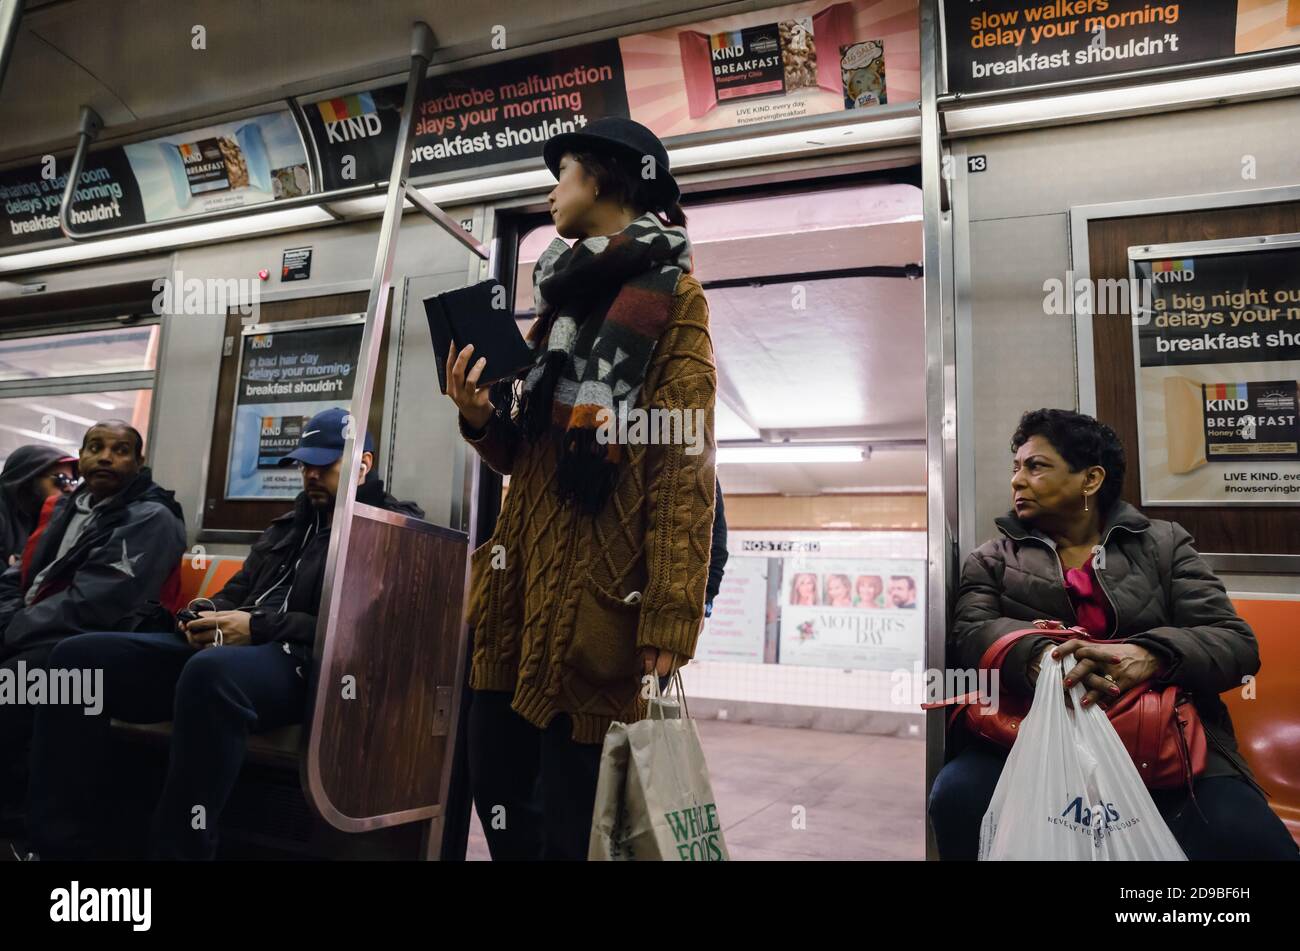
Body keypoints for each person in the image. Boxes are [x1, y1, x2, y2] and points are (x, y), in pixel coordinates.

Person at [446, 116, 716, 860]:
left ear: (600, 178)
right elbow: (526, 457)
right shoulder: (559, 306)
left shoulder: (676, 300)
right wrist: (477, 418)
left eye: (560, 175)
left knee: (575, 829)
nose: (552, 192)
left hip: (597, 611)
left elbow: (682, 469)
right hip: (514, 597)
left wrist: (669, 617)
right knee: (497, 795)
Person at [25, 408, 424, 860]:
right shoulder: (285, 529)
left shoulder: (387, 528)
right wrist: (201, 613)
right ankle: (59, 846)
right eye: (305, 465)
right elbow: (234, 592)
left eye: (324, 465)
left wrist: (255, 627)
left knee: (213, 671)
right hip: (233, 650)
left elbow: (364, 631)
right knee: (78, 659)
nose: (311, 475)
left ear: (363, 464)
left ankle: (178, 851)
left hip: (306, 665)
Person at [928, 408, 1298, 861]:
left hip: (1167, 742)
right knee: (956, 797)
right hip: (1027, 734)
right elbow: (971, 633)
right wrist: (1043, 660)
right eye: (1015, 468)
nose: (1017, 480)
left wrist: (1148, 656)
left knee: (1249, 839)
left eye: (1036, 466)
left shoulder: (1163, 544)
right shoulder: (993, 558)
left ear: (1090, 479)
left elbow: (1234, 642)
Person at [0, 421, 185, 811]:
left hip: (106, 640)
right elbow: (21, 576)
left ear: (139, 461)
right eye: (95, 447)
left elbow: (95, 604)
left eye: (119, 450)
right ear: (81, 456)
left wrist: (13, 629)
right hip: (44, 630)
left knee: (15, 681)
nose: (105, 457)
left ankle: (27, 816)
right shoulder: (71, 509)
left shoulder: (151, 518)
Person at [0, 446, 78, 566]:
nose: (70, 489)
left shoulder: (50, 522)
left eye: (73, 482)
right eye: (61, 479)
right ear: (27, 478)